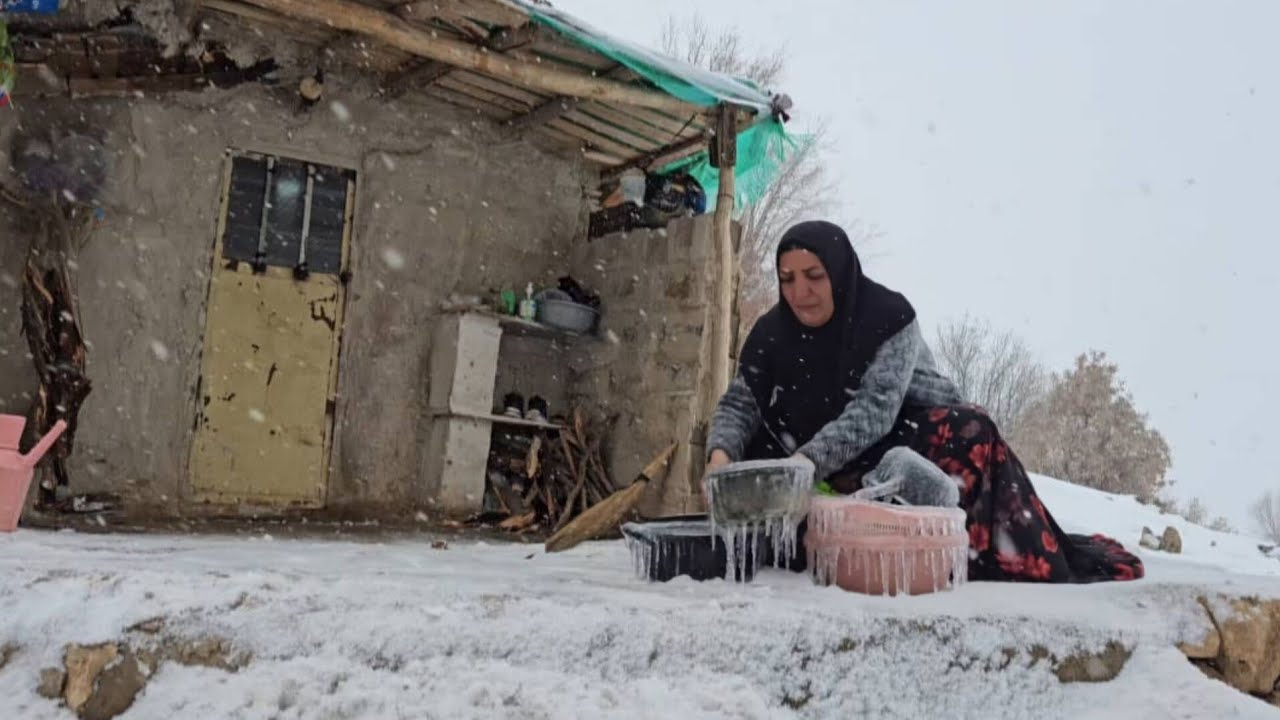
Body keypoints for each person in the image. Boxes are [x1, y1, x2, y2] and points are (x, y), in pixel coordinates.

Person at [705, 220, 1142, 583]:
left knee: (972, 431)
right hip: (818, 451)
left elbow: (874, 411)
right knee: (755, 449)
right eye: (787, 279)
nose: (800, 291)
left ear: (838, 273)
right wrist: (719, 459)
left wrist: (807, 463)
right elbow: (741, 403)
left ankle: (950, 552)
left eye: (814, 276)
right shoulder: (773, 334)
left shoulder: (888, 318)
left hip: (898, 435)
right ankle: (818, 536)